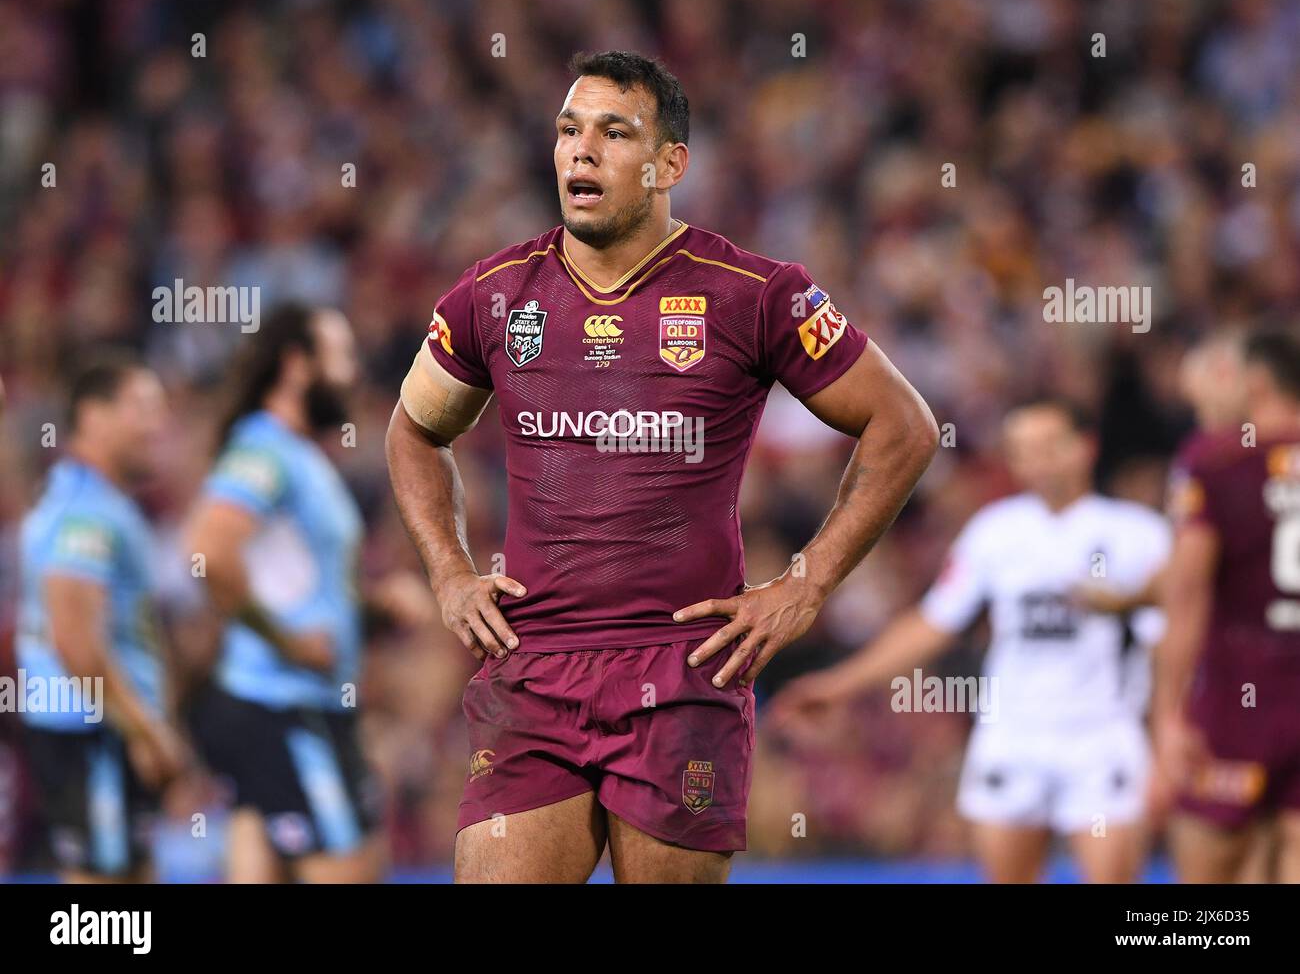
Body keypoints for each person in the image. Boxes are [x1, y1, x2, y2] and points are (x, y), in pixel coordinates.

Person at [385, 50, 938, 883]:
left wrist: (807, 583)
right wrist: (450, 572)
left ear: (669, 163)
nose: (581, 151)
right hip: (535, 667)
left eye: (613, 132)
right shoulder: (494, 293)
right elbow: (413, 430)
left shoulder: (755, 293)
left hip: (683, 672)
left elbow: (905, 425)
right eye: (569, 130)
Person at [774, 399, 1171, 883]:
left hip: (1102, 735)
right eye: (1023, 450)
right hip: (1013, 734)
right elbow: (934, 622)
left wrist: (1169, 736)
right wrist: (839, 684)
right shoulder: (996, 532)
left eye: (1050, 446)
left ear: (1085, 447)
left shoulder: (1139, 534)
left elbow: (1171, 645)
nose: (1036, 461)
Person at [185, 302, 422, 883]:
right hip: (287, 704)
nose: (353, 372)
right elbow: (209, 550)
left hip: (282, 703)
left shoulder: (297, 457)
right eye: (340, 355)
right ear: (297, 365)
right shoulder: (265, 451)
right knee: (354, 869)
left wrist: (371, 609)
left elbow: (293, 584)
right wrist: (286, 642)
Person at [17, 353, 185, 881]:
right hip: (94, 732)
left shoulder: (90, 501)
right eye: (143, 408)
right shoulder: (84, 511)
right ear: (92, 416)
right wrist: (147, 731)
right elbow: (75, 641)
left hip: (99, 728)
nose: (159, 425)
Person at [1153, 328, 1300, 882]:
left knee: (1210, 890)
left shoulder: (1215, 460)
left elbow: (1185, 596)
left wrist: (1168, 717)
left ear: (1256, 380)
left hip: (1242, 690)